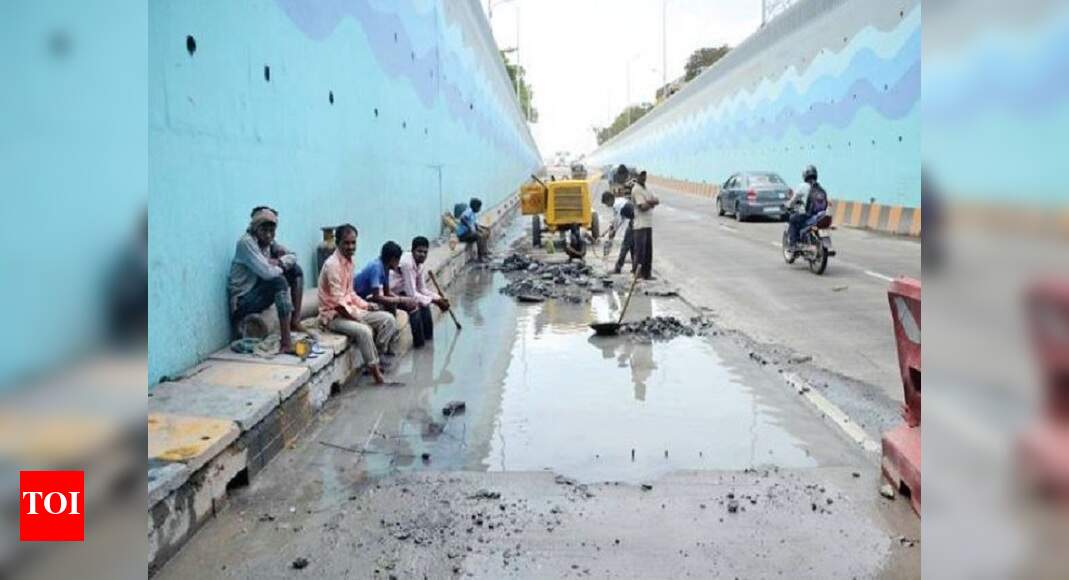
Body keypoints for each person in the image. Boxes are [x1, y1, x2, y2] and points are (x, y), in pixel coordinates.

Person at [318, 224, 400, 384]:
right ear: (338, 242)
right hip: (333, 315)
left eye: (353, 243)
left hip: (351, 309)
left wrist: (366, 306)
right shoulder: (332, 265)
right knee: (364, 331)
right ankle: (377, 376)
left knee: (388, 319)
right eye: (346, 243)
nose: (351, 247)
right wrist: (357, 319)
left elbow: (350, 293)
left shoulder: (349, 263)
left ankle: (377, 357)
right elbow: (339, 304)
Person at [227, 206, 305, 354]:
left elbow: (293, 256)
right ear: (256, 228)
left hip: (257, 292)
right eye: (265, 230)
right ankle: (286, 343)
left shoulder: (270, 242)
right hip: (242, 302)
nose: (269, 235)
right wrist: (281, 263)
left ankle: (295, 321)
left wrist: (280, 261)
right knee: (278, 281)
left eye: (272, 231)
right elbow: (268, 274)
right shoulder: (246, 243)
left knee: (296, 271)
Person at [390, 236, 451, 348]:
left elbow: (422, 289)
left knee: (425, 304)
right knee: (414, 306)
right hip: (392, 293)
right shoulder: (407, 263)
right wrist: (436, 302)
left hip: (404, 292)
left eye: (425, 252)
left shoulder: (420, 265)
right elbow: (412, 294)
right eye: (419, 251)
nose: (422, 255)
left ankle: (428, 341)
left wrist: (438, 299)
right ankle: (419, 345)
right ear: (412, 251)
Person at [355, 241, 417, 313]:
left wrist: (404, 300)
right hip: (356, 296)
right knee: (387, 306)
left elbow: (387, 292)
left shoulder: (386, 269)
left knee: (395, 304)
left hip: (364, 296)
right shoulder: (376, 267)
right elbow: (376, 297)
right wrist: (401, 299)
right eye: (398, 260)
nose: (399, 263)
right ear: (393, 259)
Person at [786, 165, 829, 249]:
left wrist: (788, 205)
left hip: (807, 214)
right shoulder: (820, 187)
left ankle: (792, 245)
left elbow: (793, 200)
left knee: (792, 220)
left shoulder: (802, 186)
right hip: (819, 215)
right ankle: (823, 244)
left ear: (805, 175)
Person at [630, 170, 659, 280]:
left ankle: (647, 274)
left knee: (648, 252)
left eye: (644, 175)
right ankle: (637, 275)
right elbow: (642, 207)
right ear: (636, 177)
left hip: (648, 224)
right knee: (640, 252)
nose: (643, 177)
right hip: (640, 225)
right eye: (641, 175)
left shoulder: (646, 188)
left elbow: (657, 200)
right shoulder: (636, 190)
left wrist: (650, 202)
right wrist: (651, 202)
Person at [601, 191, 635, 275]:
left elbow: (619, 221)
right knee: (632, 247)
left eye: (606, 203)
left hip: (634, 223)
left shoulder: (616, 205)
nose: (607, 206)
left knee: (625, 246)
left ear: (609, 200)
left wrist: (613, 231)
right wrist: (608, 230)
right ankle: (635, 268)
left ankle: (617, 268)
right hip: (635, 222)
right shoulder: (619, 201)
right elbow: (616, 219)